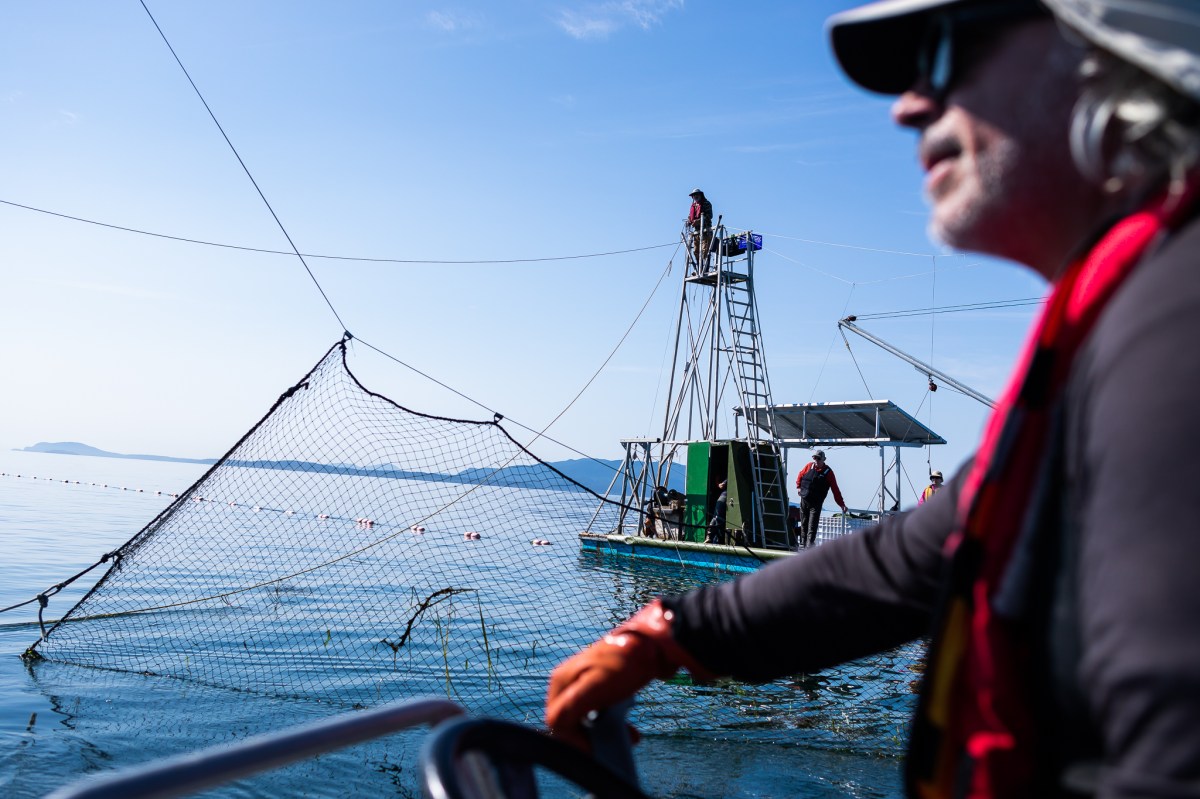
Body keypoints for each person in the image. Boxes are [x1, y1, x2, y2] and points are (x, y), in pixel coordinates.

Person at [546, 1, 1200, 796]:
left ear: (1126, 55)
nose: (908, 105)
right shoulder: (1118, 312)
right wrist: (672, 631)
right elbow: (912, 556)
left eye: (949, 50)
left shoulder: (1175, 318)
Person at [794, 450, 847, 548]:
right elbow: (800, 476)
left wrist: (842, 504)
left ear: (824, 459)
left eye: (818, 458)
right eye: (815, 458)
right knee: (804, 524)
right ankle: (802, 544)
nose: (816, 460)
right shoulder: (809, 466)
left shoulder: (828, 473)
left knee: (812, 526)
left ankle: (809, 547)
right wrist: (798, 487)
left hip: (816, 504)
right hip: (804, 500)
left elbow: (835, 490)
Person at [686, 188, 713, 269]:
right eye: (694, 195)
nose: (695, 196)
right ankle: (699, 269)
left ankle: (705, 269)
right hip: (696, 232)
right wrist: (689, 221)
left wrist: (699, 220)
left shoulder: (706, 203)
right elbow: (691, 217)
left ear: (701, 195)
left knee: (705, 251)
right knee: (696, 251)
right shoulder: (693, 206)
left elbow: (709, 216)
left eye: (697, 195)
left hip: (706, 230)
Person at [704, 480, 727, 545]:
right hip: (719, 494)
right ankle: (710, 537)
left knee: (718, 517)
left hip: (726, 493)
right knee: (716, 517)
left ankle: (712, 537)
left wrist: (724, 482)